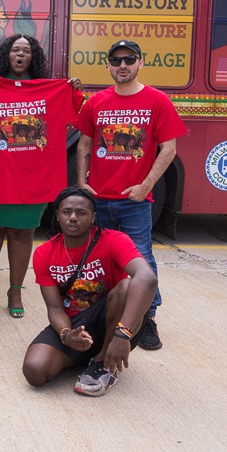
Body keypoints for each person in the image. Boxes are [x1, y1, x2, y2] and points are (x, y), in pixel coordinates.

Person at [75, 39, 186, 350]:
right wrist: (82, 184)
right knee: (98, 260)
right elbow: (84, 144)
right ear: (108, 65)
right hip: (98, 200)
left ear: (140, 63)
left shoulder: (157, 101)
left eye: (129, 59)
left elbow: (169, 149)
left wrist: (146, 185)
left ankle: (147, 318)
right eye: (116, 60)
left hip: (134, 201)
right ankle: (102, 313)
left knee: (141, 258)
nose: (122, 65)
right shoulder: (95, 101)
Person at [0, 33, 83, 319]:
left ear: (34, 57)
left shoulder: (50, 90)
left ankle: (15, 290)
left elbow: (79, 114)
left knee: (23, 233)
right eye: (15, 50)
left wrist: (74, 91)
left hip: (34, 176)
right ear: (5, 54)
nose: (20, 55)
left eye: (26, 51)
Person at [23, 186, 157, 397]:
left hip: (113, 322)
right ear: (57, 215)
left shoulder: (114, 240)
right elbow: (55, 307)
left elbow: (147, 279)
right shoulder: (44, 253)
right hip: (75, 323)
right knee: (35, 371)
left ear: (93, 217)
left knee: (128, 287)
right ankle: (86, 354)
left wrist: (123, 336)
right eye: (66, 212)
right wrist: (67, 336)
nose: (73, 218)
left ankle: (103, 362)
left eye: (81, 213)